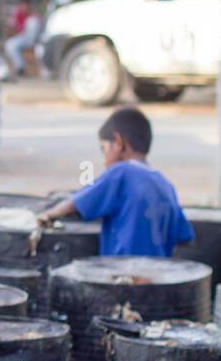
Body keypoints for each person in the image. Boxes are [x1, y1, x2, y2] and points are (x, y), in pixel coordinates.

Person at [35, 106, 195, 257]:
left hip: (122, 275)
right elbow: (185, 238)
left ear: (118, 142)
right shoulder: (166, 185)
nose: (104, 161)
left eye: (103, 149)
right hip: (158, 277)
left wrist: (49, 214)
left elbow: (76, 204)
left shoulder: (121, 172)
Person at [5, 0, 41, 75]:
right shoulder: (16, 13)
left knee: (32, 22)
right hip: (22, 38)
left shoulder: (34, 15)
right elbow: (11, 28)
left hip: (35, 41)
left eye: (25, 5)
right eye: (22, 5)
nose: (24, 7)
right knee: (10, 45)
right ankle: (20, 68)